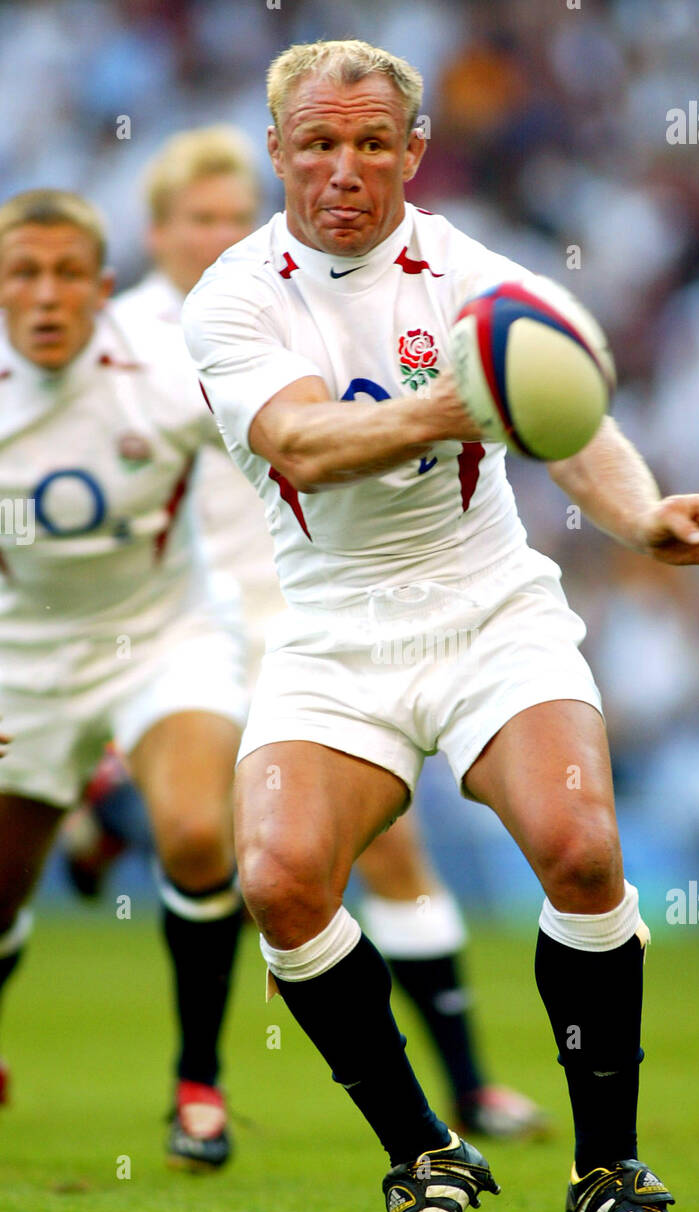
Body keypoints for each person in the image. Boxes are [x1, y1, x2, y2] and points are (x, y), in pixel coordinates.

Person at [181, 39, 699, 1212]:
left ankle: (607, 1168)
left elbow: (570, 416)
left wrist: (643, 513)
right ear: (278, 149)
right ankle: (421, 1152)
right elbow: (305, 443)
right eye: (319, 143)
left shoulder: (468, 273)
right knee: (280, 880)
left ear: (413, 150)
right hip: (335, 629)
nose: (345, 168)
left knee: (582, 847)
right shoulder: (232, 297)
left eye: (372, 142)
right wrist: (467, 400)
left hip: (488, 604)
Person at [106, 123, 547, 1140]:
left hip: (320, 610)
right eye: (195, 218)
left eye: (228, 215)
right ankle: (200, 1076)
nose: (214, 231)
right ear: (158, 229)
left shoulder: (294, 304)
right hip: (203, 625)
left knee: (380, 858)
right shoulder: (128, 340)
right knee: (218, 846)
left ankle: (466, 1086)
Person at [0, 189, 249, 1168]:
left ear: (104, 288)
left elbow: (289, 443)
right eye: (25, 273)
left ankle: (198, 1081)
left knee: (193, 831)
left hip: (165, 631)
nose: (48, 295)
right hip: (19, 652)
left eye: (69, 274)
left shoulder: (169, 373)